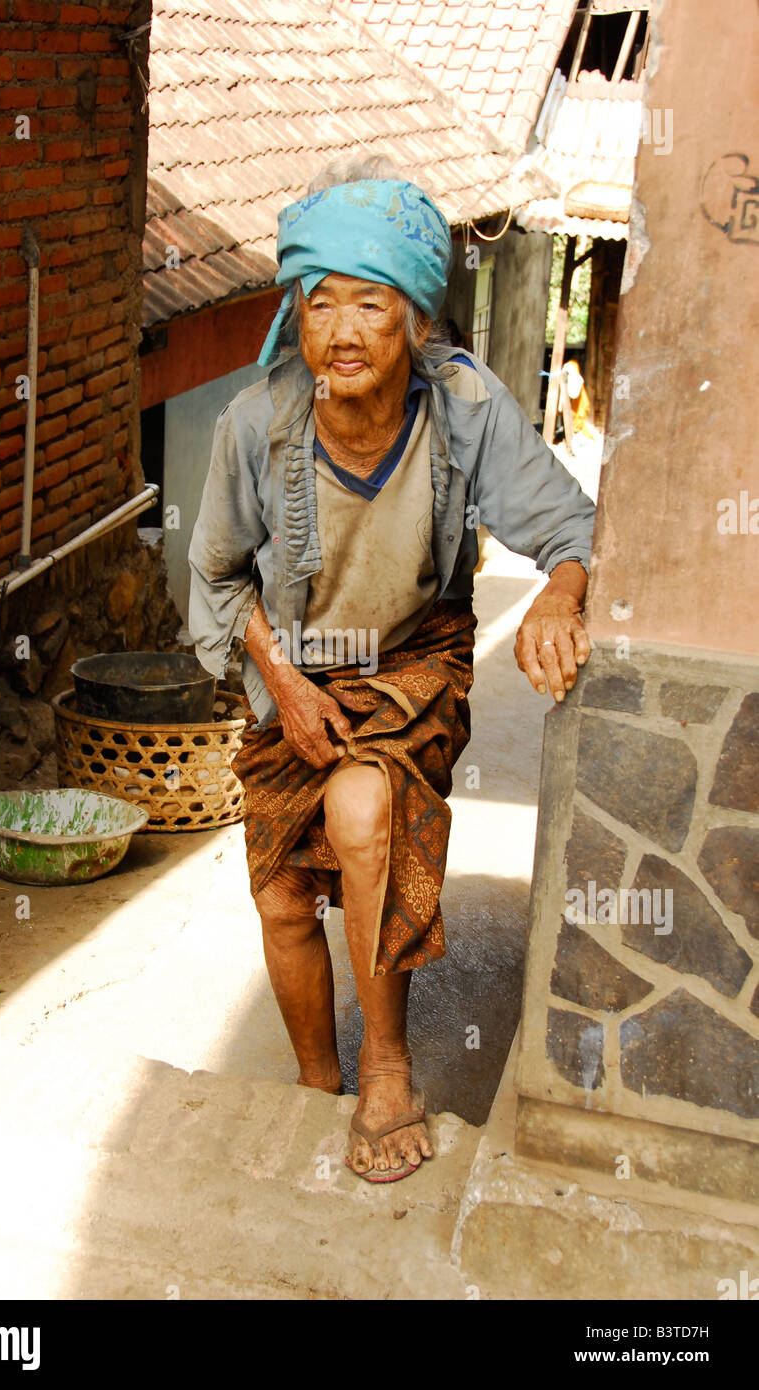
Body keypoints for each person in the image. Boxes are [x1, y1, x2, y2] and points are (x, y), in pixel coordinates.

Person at [188, 158, 595, 1183]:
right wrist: (282, 682)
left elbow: (568, 525)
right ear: (298, 315)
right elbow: (216, 581)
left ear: (417, 318)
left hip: (411, 660)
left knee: (363, 815)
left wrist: (559, 591)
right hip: (293, 667)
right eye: (319, 301)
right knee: (282, 895)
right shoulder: (257, 425)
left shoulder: (461, 407)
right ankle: (316, 1080)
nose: (344, 330)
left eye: (373, 302)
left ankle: (387, 1070)